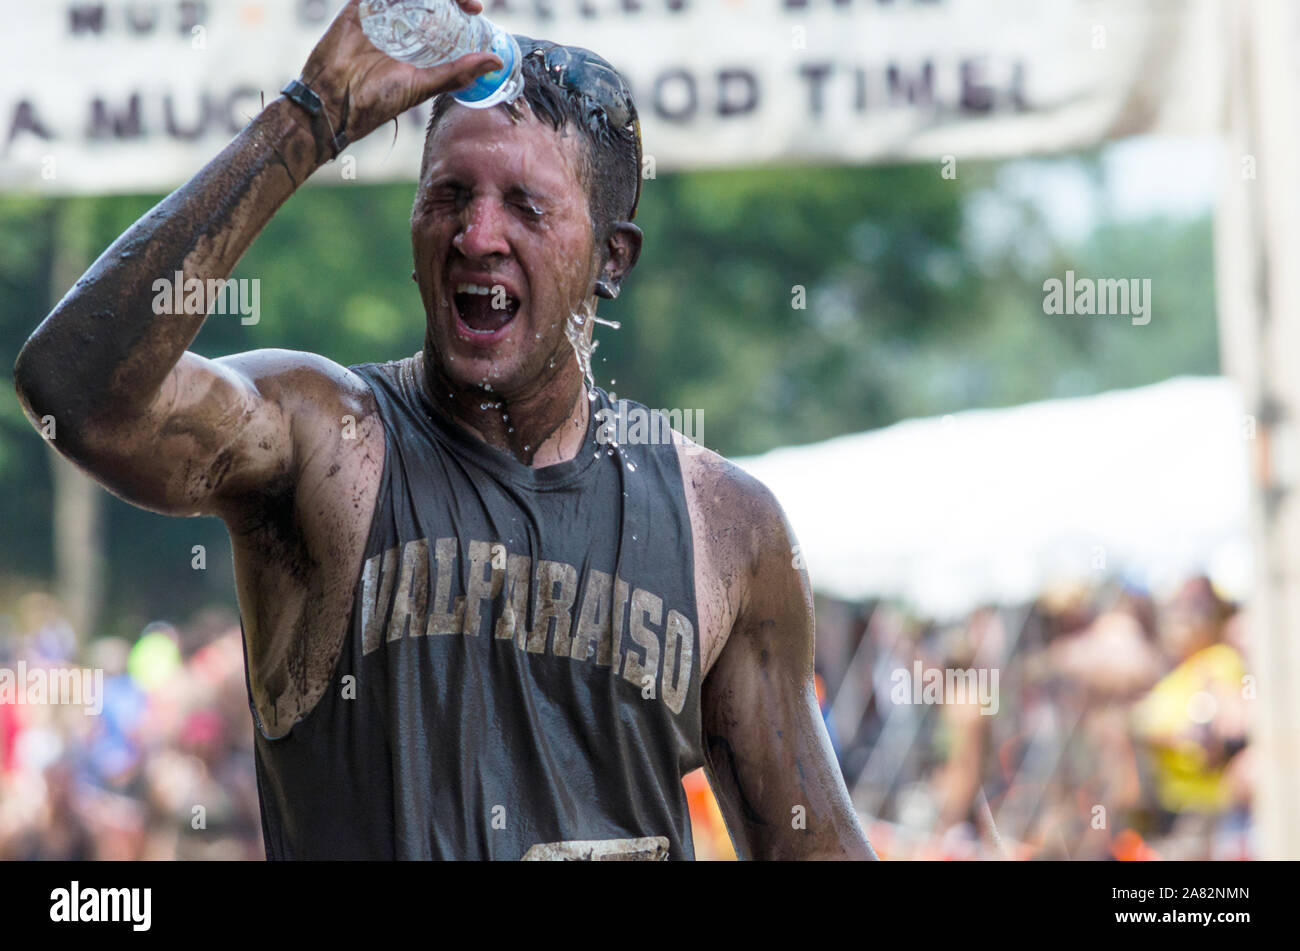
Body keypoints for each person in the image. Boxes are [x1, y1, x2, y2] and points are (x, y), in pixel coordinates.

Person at [14, 0, 873, 861]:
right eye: (450, 196)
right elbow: (75, 393)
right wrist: (309, 119)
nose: (477, 235)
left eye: (526, 207)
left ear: (613, 259)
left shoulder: (724, 528)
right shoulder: (327, 444)